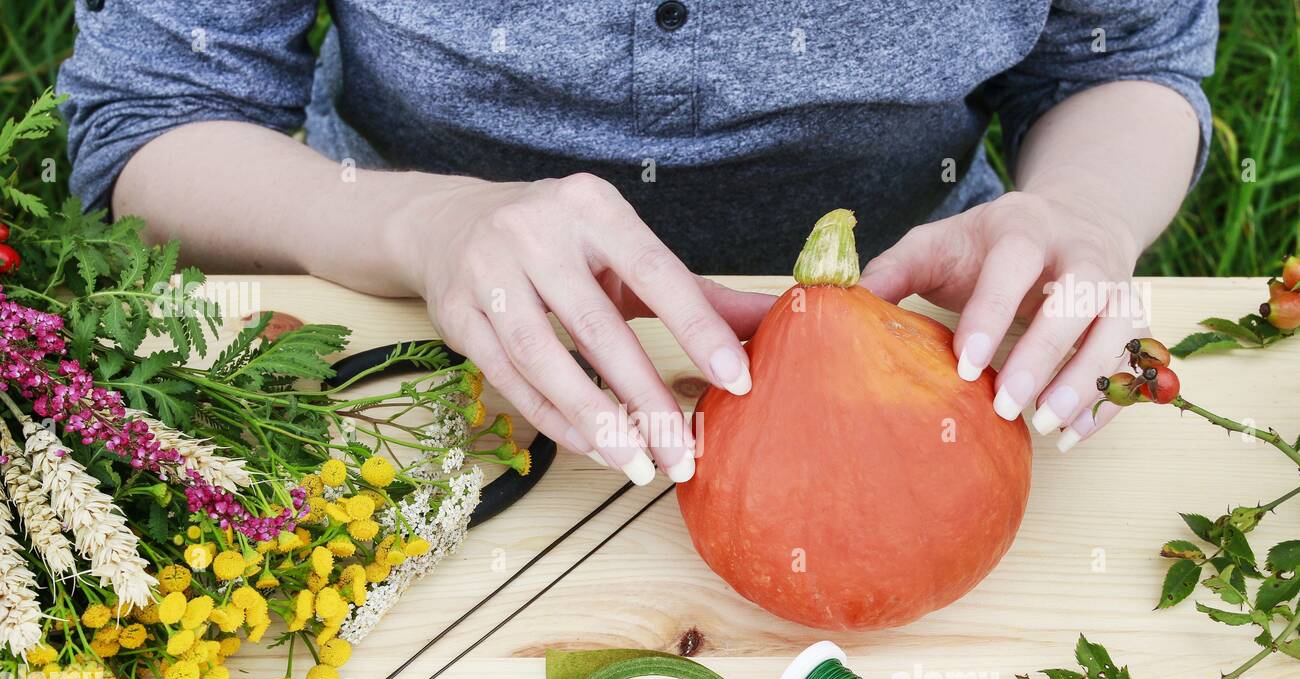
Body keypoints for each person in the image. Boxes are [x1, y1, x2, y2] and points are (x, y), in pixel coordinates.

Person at [58, 1, 1217, 485]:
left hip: (931, 341)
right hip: (400, 320)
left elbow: (1123, 57)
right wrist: (418, 223)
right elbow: (152, 118)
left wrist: (1085, 210)